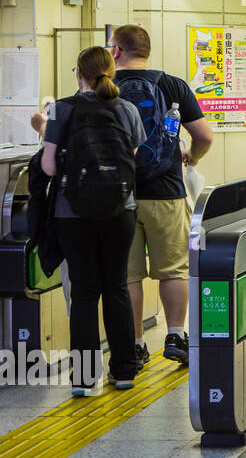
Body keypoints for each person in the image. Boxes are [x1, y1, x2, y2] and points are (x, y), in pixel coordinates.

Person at [31, 47, 145, 394]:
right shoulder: (127, 109)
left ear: (78, 73)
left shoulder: (62, 109)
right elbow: (132, 159)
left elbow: (49, 168)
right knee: (116, 288)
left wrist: (44, 130)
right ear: (112, 72)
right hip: (119, 210)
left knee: (83, 292)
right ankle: (124, 371)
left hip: (72, 213)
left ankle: (83, 378)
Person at [110, 24, 212, 370]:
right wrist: (192, 158)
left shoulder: (104, 86)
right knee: (173, 270)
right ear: (147, 50)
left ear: (116, 52)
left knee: (129, 275)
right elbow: (204, 136)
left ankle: (135, 344)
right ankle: (176, 337)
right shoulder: (172, 85)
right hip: (166, 189)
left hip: (119, 194)